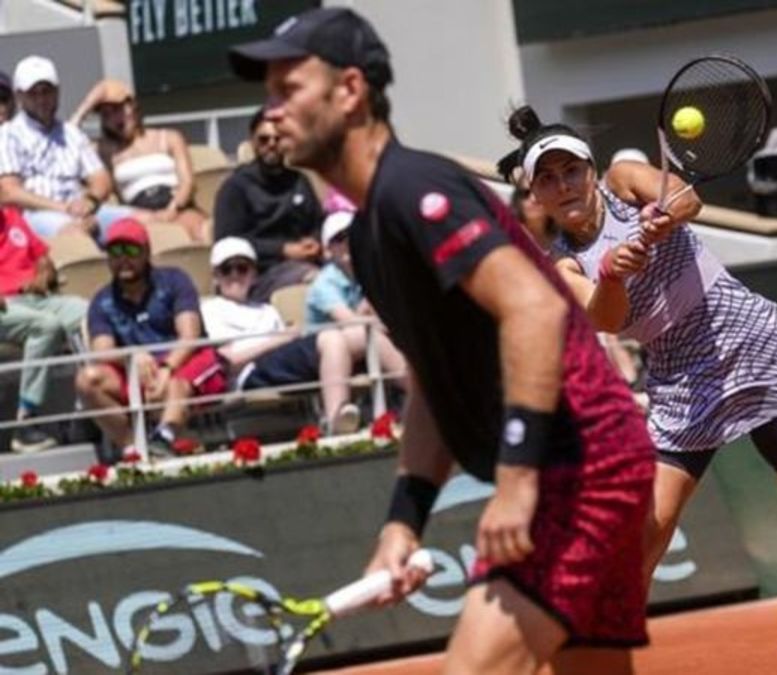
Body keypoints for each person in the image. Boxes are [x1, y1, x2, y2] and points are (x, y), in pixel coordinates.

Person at [229, 7, 656, 674]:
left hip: (579, 467)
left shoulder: (412, 188)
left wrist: (516, 481)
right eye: (268, 93)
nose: (271, 109)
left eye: (289, 89)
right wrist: (405, 520)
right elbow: (432, 379)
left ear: (349, 91)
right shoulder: (370, 234)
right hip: (584, 459)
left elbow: (535, 312)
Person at [509, 106, 777, 674]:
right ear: (537, 197)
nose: (563, 185)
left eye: (570, 170)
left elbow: (688, 200)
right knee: (641, 544)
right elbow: (604, 319)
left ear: (591, 172)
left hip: (753, 347)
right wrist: (616, 272)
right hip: (681, 384)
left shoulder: (626, 178)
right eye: (547, 179)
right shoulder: (561, 267)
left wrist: (661, 219)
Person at [75, 218, 226, 459]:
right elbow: (101, 350)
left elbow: (190, 336)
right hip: (139, 371)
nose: (123, 259)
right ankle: (132, 449)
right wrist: (130, 356)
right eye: (115, 252)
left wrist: (166, 368)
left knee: (178, 382)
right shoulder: (102, 301)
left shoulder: (175, 280)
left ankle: (165, 438)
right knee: (87, 379)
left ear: (146, 251)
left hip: (186, 361)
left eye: (131, 250)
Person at [201, 236, 370, 435]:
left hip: (278, 364)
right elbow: (228, 361)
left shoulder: (266, 309)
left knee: (363, 335)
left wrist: (286, 338)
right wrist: (281, 338)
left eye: (243, 268)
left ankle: (409, 394)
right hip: (249, 373)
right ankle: (336, 418)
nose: (235, 275)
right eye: (227, 269)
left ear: (254, 274)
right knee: (330, 337)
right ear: (215, 276)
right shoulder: (208, 310)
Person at [0, 56, 133, 240]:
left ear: (57, 91)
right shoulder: (8, 134)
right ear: (20, 96)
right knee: (75, 233)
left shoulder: (71, 133)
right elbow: (9, 192)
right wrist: (64, 208)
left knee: (142, 222)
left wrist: (89, 201)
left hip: (81, 209)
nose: (42, 99)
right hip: (36, 214)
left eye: (47, 91)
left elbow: (101, 178)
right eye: (33, 93)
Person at [68, 79, 208, 241]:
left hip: (176, 204)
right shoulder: (104, 151)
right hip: (138, 211)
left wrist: (173, 209)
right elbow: (71, 138)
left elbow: (188, 183)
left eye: (118, 109)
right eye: (107, 115)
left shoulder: (169, 137)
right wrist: (84, 109)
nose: (115, 118)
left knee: (199, 229)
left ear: (132, 106)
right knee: (155, 234)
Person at [0, 205, 87, 453]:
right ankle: (26, 422)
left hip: (34, 296)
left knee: (86, 312)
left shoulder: (12, 216)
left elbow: (41, 255)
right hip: (3, 306)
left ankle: (91, 406)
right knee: (47, 327)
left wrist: (44, 271)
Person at [213, 107, 323, 302]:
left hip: (306, 262)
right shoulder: (236, 187)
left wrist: (314, 241)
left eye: (277, 138)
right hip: (257, 274)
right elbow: (228, 242)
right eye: (264, 139)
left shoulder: (299, 181)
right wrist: (282, 250)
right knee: (321, 281)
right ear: (253, 142)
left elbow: (317, 221)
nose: (271, 145)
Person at [304, 210, 409, 387]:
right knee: (368, 334)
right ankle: (419, 390)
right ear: (327, 251)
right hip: (325, 351)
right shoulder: (325, 283)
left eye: (353, 235)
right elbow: (351, 322)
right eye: (339, 239)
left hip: (363, 344)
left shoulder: (370, 272)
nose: (348, 242)